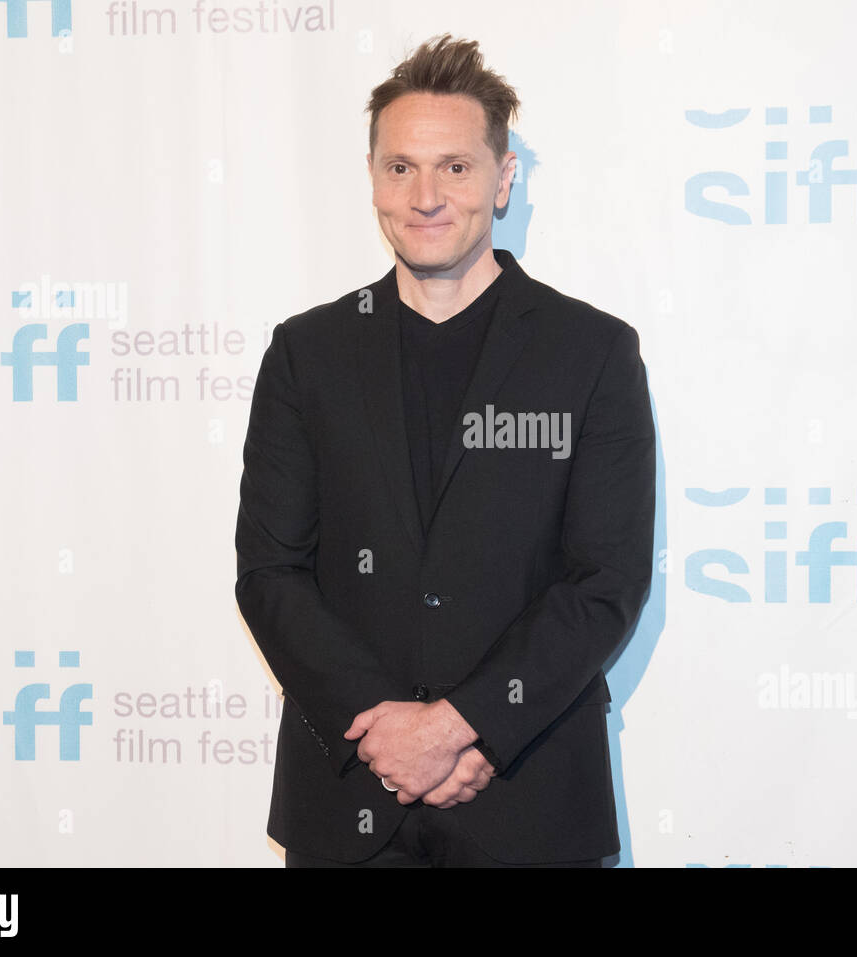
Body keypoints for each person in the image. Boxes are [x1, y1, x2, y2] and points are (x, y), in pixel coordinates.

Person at [234, 35, 656, 867]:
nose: (426, 195)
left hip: (527, 800)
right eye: (401, 168)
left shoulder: (592, 352)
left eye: (455, 168)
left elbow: (606, 581)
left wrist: (462, 728)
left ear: (502, 179)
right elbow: (269, 573)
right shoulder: (305, 354)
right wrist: (391, 736)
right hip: (351, 799)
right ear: (373, 179)